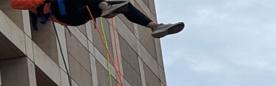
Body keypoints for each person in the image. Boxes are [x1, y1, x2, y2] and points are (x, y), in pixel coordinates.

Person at [11, 0, 185, 39]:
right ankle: (103, 5)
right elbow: (16, 4)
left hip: (77, 14)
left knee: (125, 5)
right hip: (64, 12)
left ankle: (155, 26)